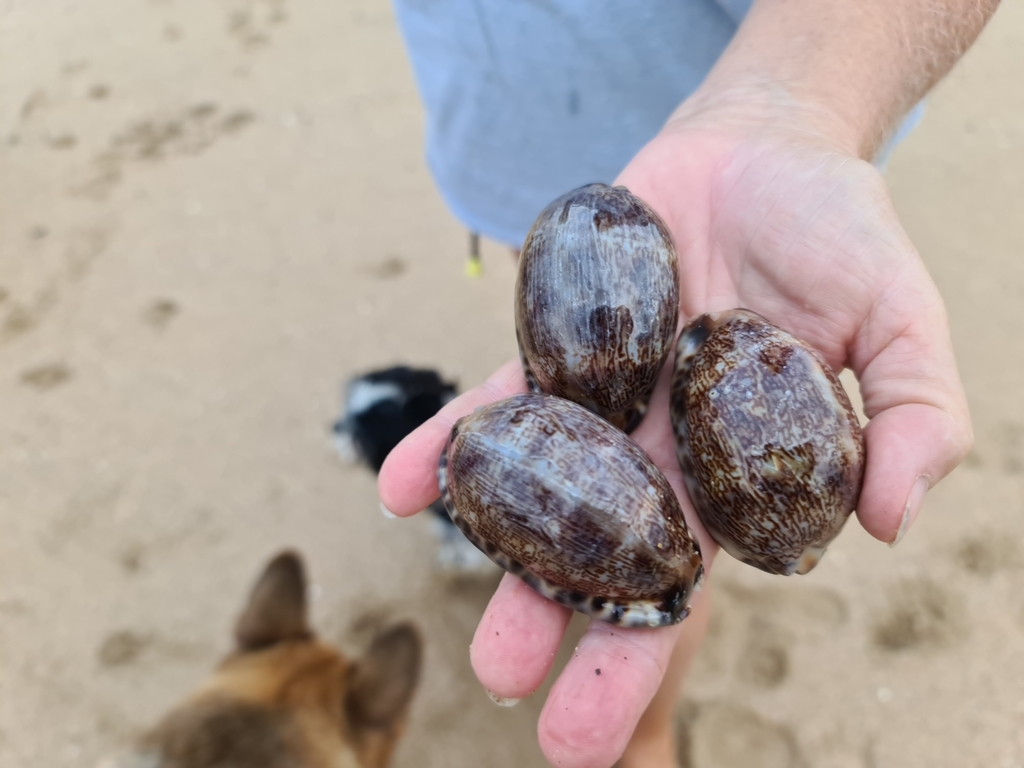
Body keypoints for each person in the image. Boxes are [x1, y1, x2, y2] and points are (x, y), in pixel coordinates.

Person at [378, 1, 992, 766]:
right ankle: (648, 722)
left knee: (666, 558)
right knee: (559, 276)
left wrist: (807, 105)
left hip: (769, 63)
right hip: (501, 91)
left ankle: (651, 729)